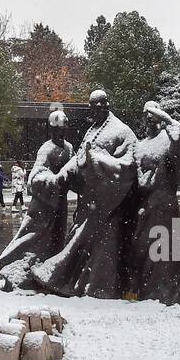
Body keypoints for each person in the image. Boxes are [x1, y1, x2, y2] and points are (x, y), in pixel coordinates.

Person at [29, 89, 139, 298]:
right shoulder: (92, 130)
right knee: (79, 242)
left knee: (101, 249)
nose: (95, 111)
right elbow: (79, 159)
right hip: (90, 201)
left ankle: (98, 288)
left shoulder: (122, 132)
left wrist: (98, 160)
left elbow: (128, 166)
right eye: (92, 108)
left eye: (98, 107)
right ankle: (69, 281)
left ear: (106, 105)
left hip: (110, 203)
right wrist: (63, 175)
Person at [0, 110, 72, 290]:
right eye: (57, 129)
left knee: (57, 239)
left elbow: (73, 171)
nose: (60, 133)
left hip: (60, 203)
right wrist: (54, 179)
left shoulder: (69, 148)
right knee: (31, 239)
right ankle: (15, 270)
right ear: (51, 130)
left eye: (62, 129)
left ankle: (49, 275)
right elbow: (35, 176)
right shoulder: (46, 149)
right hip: (44, 205)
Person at [123, 101, 180, 305]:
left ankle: (168, 292)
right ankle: (146, 290)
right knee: (143, 248)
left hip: (164, 203)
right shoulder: (140, 145)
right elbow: (133, 176)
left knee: (166, 250)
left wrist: (178, 137)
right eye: (146, 118)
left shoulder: (169, 140)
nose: (149, 122)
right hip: (143, 205)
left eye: (153, 118)